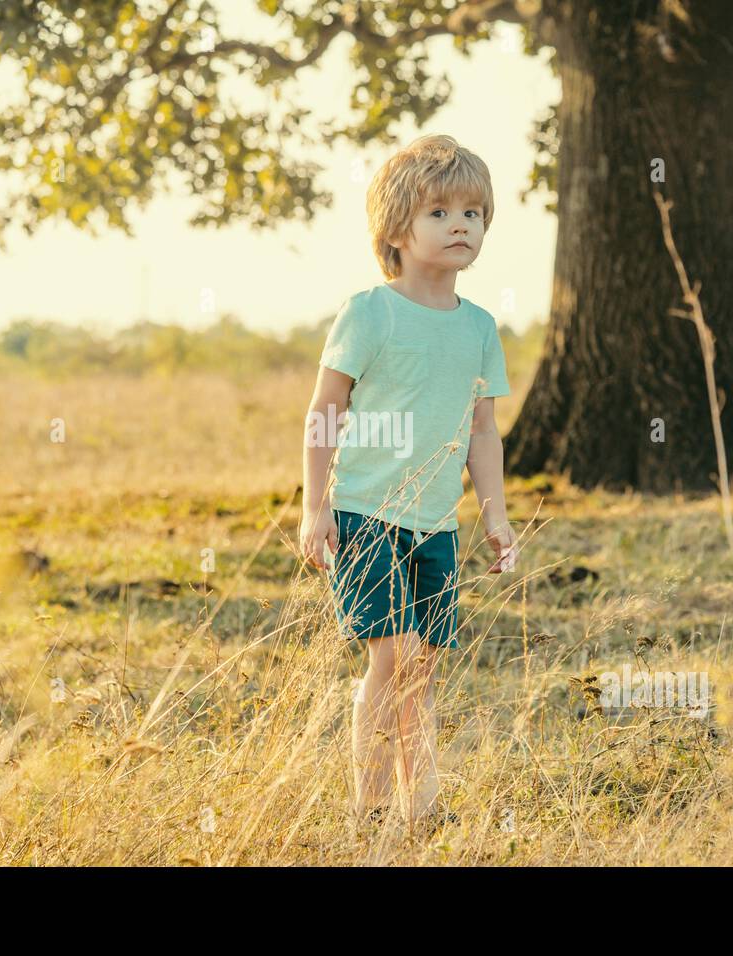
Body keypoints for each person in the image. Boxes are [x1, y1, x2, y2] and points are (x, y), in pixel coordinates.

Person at [299, 133, 518, 833]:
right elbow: (324, 411)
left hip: (434, 524)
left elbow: (482, 431)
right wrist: (315, 506)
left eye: (473, 214)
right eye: (440, 212)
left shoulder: (480, 327)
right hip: (365, 513)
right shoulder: (371, 312)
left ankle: (419, 805)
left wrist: (496, 516)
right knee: (389, 655)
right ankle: (367, 805)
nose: (461, 226)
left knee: (422, 666)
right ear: (396, 230)